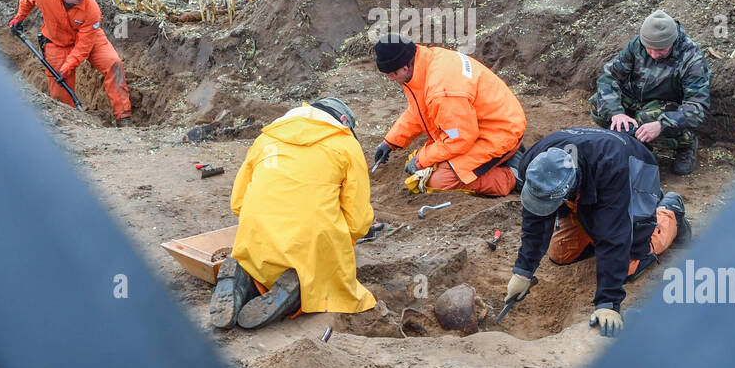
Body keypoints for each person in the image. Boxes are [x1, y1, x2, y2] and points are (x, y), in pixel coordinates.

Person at [505, 127, 690, 338]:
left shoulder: (613, 171)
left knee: (629, 262)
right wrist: (523, 270)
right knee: (561, 253)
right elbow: (535, 216)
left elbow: (615, 236)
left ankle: (669, 212)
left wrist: (608, 302)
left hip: (633, 168)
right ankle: (591, 223)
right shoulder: (535, 162)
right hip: (588, 179)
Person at [210, 98, 377, 330]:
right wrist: (343, 245)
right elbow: (357, 220)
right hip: (307, 247)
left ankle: (243, 277)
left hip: (259, 243)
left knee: (255, 266)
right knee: (322, 282)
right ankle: (298, 293)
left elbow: (238, 203)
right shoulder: (347, 144)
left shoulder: (265, 139)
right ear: (343, 122)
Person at [371, 35, 526, 197]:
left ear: (404, 67)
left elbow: (460, 139)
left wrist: (421, 160)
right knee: (433, 162)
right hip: (485, 124)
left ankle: (513, 176)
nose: (390, 78)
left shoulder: (441, 90)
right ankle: (506, 159)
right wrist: (391, 141)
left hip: (499, 133)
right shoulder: (424, 63)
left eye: (392, 73)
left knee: (438, 181)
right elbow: (419, 111)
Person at [589, 9, 710, 175]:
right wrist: (616, 112)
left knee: (645, 118)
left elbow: (697, 107)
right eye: (649, 48)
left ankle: (686, 143)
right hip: (636, 99)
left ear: (672, 42)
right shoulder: (637, 44)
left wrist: (661, 125)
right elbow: (609, 77)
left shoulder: (691, 57)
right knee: (598, 103)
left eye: (660, 50)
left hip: (666, 108)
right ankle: (636, 141)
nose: (653, 54)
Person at [8, 0, 132, 126]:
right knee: (61, 92)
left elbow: (84, 45)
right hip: (56, 42)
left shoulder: (92, 9)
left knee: (114, 64)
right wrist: (18, 18)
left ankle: (124, 117)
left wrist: (69, 65)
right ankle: (72, 123)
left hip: (90, 40)